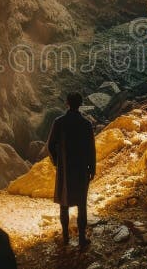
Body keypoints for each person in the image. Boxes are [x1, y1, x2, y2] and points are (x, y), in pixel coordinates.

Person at [46, 92, 96, 247]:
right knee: (82, 204)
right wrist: (92, 168)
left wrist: (57, 162)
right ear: (80, 104)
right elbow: (91, 149)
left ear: (67, 103)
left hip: (65, 169)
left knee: (64, 203)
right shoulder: (86, 124)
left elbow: (50, 145)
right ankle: (81, 239)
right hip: (81, 169)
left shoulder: (59, 122)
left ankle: (66, 237)